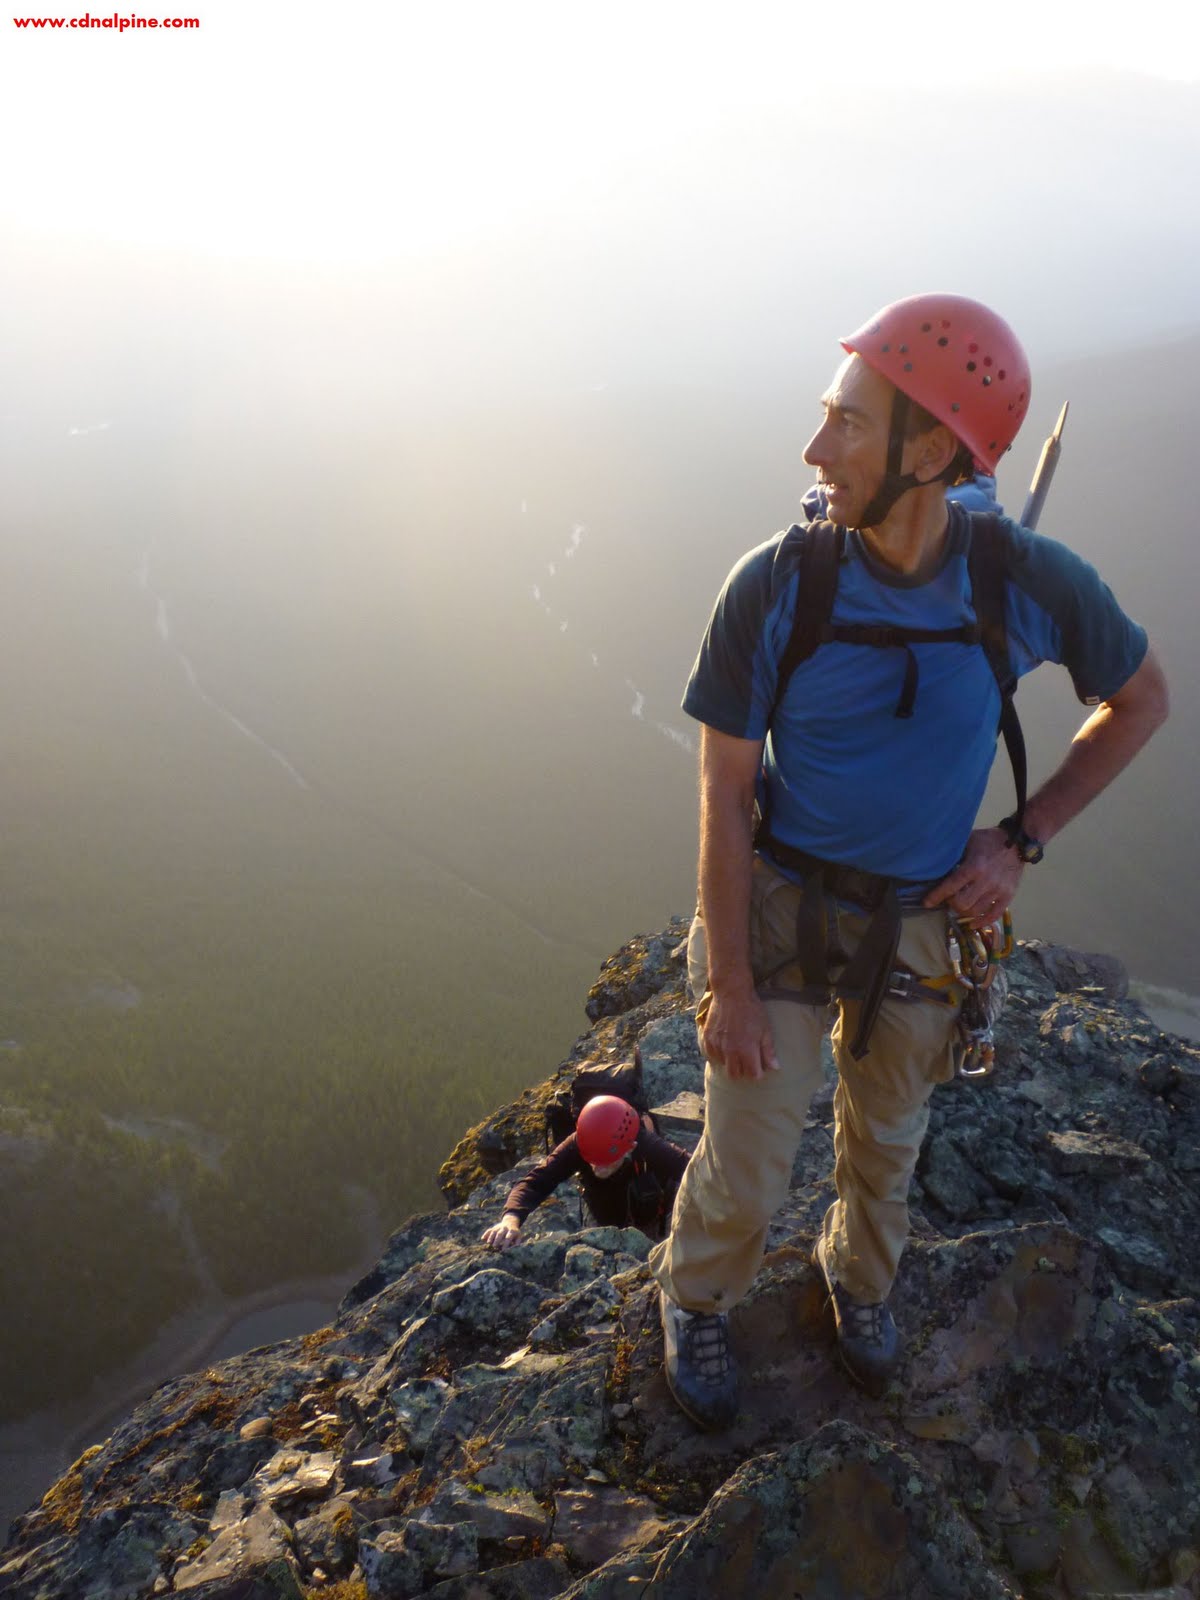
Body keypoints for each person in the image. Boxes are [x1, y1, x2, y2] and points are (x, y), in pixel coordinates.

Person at [650, 292, 1169, 1430]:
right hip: (785, 898)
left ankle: (860, 1280)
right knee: (750, 1145)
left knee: (887, 1140)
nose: (814, 446)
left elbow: (1142, 700)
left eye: (846, 421)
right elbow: (726, 789)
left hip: (922, 912)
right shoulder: (779, 582)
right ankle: (695, 1296)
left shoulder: (1024, 579)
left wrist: (1022, 838)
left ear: (932, 450)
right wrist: (730, 984)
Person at [481, 1094, 690, 1248]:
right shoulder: (578, 1142)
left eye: (606, 1162)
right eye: (592, 1161)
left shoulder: (645, 1144)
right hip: (601, 1211)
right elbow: (536, 1182)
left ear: (630, 1148)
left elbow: (693, 1168)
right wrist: (510, 1219)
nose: (596, 1168)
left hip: (650, 1213)